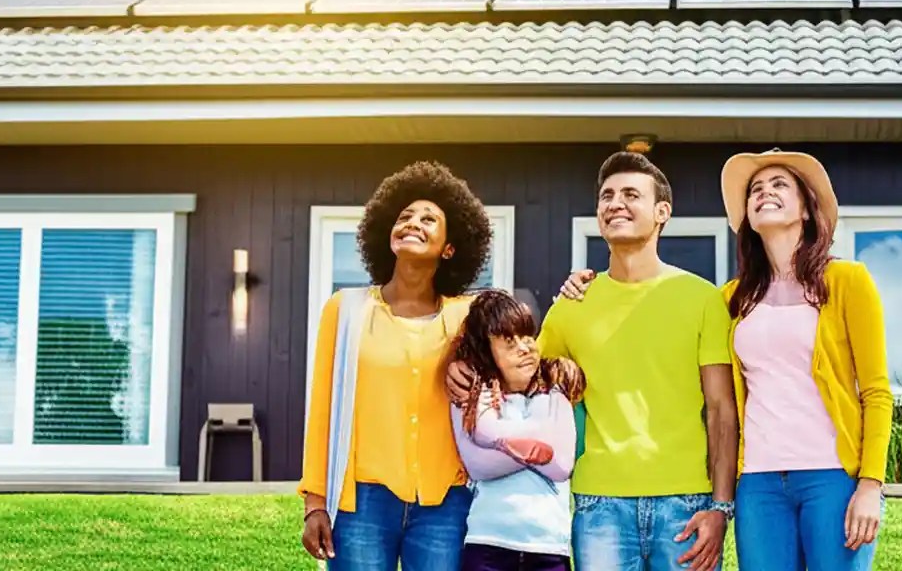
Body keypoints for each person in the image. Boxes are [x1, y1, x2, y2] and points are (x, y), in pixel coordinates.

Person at [560, 148, 893, 571]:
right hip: (758, 482)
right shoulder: (731, 298)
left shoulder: (847, 281)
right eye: (756, 189)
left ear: (806, 209)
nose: (764, 193)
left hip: (832, 476)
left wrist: (870, 485)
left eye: (778, 186)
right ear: (746, 216)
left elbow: (877, 392)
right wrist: (586, 282)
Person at [448, 151, 738, 571]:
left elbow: (721, 411)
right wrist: (461, 364)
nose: (615, 203)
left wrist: (721, 507)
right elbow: (520, 371)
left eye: (630, 194)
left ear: (662, 212)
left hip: (686, 502)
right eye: (607, 195)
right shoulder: (571, 306)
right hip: (598, 505)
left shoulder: (703, 298)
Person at [299, 160, 493, 571]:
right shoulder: (346, 309)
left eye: (429, 219)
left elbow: (523, 347)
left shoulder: (469, 316)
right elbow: (322, 410)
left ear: (450, 247)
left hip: (446, 502)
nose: (413, 223)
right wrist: (315, 502)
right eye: (404, 216)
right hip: (362, 504)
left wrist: (575, 290)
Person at [448, 288, 585, 571]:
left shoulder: (556, 391)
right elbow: (479, 467)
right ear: (486, 352)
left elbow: (560, 465)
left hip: (548, 548)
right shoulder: (473, 397)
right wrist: (536, 444)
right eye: (508, 342)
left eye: (526, 336)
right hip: (487, 544)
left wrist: (498, 438)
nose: (524, 347)